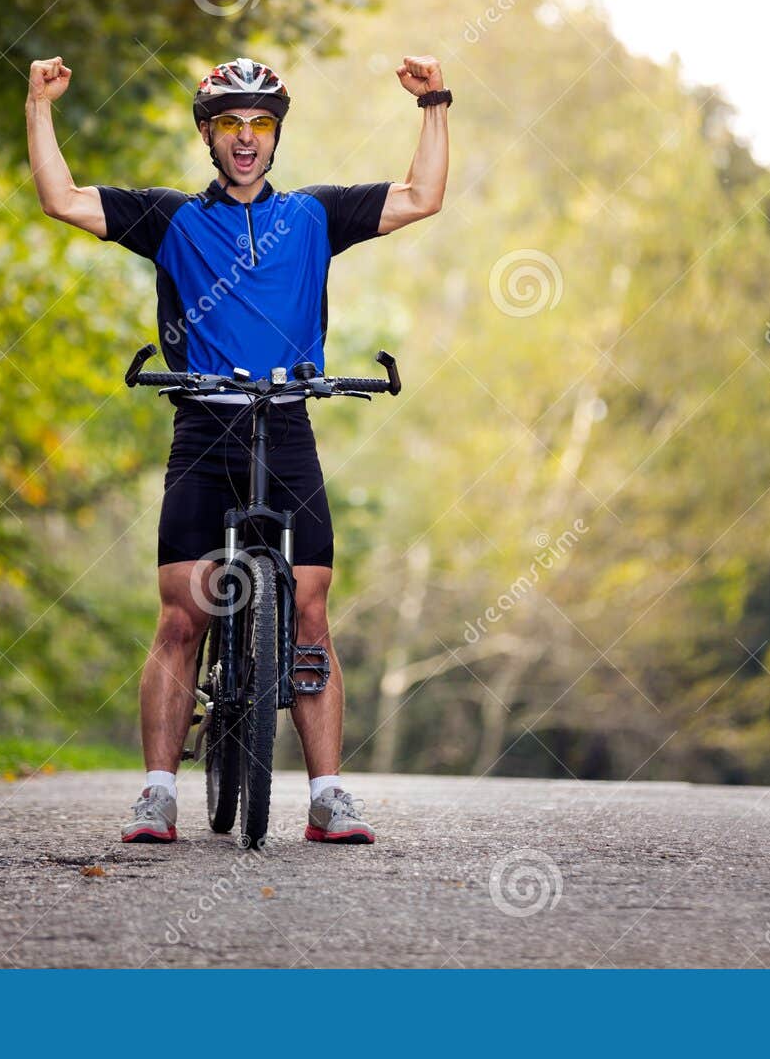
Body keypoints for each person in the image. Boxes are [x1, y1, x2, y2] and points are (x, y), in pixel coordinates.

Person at [26, 54, 451, 844]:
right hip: (203, 427)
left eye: (260, 125)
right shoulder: (170, 219)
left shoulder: (316, 215)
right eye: (230, 125)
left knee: (312, 611)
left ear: (276, 135)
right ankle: (157, 793)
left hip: (288, 423)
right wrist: (39, 104)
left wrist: (435, 102)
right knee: (184, 614)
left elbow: (423, 196)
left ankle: (328, 798)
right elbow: (60, 198)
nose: (246, 139)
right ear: (209, 136)